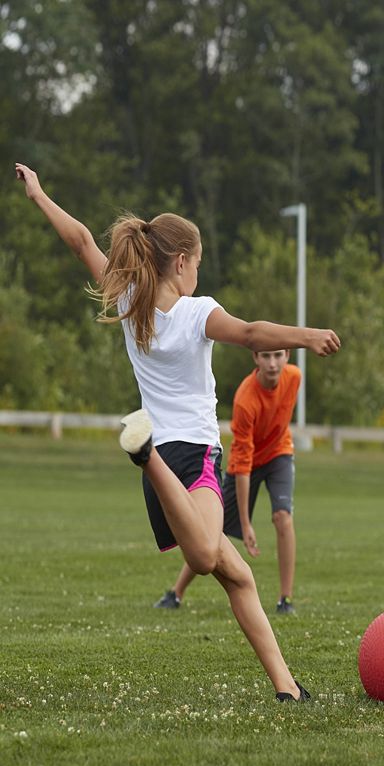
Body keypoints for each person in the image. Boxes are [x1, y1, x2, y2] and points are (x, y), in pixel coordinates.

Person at [15, 162, 341, 701]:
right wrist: (306, 335)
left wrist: (41, 196)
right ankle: (143, 454)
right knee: (205, 556)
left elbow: (78, 244)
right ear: (183, 261)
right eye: (198, 265)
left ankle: (287, 686)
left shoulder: (130, 299)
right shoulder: (196, 313)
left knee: (237, 576)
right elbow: (255, 333)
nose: (198, 276)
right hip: (190, 455)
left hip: (165, 463)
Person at [154, 348, 302, 614]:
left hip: (279, 454)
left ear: (288, 356)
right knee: (210, 532)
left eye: (278, 355)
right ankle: (175, 593)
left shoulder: (295, 378)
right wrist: (245, 526)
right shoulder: (246, 399)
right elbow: (244, 465)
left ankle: (285, 600)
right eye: (265, 356)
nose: (272, 363)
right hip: (244, 464)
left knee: (284, 517)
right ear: (255, 358)